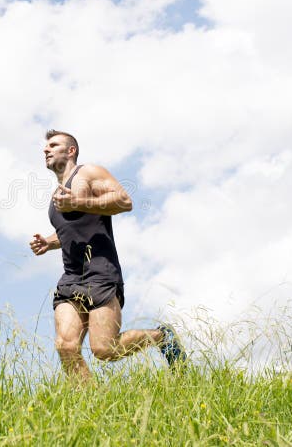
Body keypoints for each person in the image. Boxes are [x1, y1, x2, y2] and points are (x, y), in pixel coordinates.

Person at [30, 129, 184, 380]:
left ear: (71, 151)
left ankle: (161, 336)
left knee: (105, 350)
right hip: (71, 278)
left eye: (53, 145)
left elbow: (124, 201)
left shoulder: (89, 173)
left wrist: (80, 203)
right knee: (65, 346)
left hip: (100, 272)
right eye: (45, 147)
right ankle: (91, 407)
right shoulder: (57, 195)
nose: (46, 150)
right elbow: (70, 231)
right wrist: (48, 242)